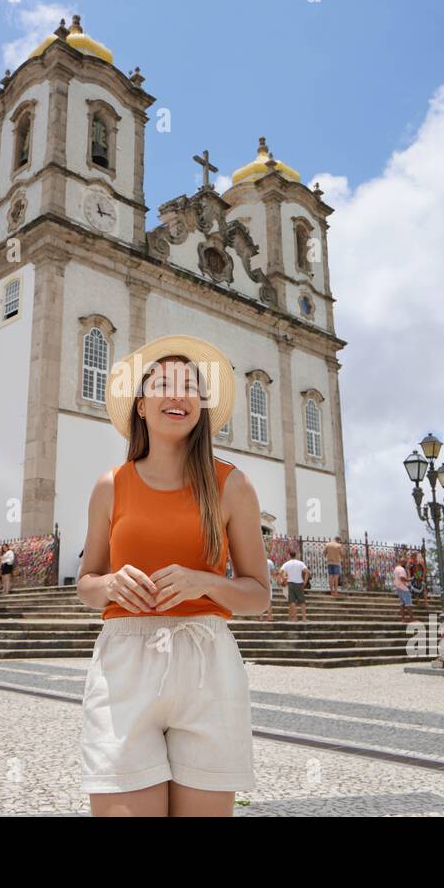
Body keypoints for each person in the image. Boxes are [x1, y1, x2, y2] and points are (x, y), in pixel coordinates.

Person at [75, 335, 264, 816]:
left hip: (206, 663)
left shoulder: (232, 486)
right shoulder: (109, 486)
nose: (177, 397)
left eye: (190, 388)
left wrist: (207, 583)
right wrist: (111, 585)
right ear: (141, 405)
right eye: (164, 385)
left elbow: (258, 595)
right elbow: (87, 583)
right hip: (125, 663)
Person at [281, 548, 309, 623]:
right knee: (302, 601)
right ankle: (304, 618)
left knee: (292, 601)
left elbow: (281, 571)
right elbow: (307, 572)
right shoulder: (300, 563)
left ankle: (295, 618)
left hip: (290, 584)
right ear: (295, 555)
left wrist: (284, 578)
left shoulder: (287, 564)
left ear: (289, 556)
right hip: (299, 583)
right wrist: (305, 581)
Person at [393, 556, 413, 623]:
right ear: (403, 562)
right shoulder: (401, 569)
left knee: (402, 604)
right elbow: (402, 578)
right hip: (403, 588)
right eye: (405, 563)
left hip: (398, 587)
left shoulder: (396, 569)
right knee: (408, 603)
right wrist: (409, 579)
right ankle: (411, 619)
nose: (406, 564)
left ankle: (403, 619)